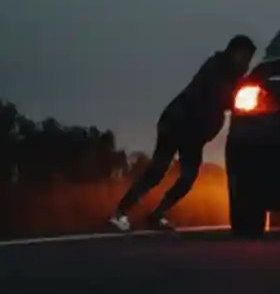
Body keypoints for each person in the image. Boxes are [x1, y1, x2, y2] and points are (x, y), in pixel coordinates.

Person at [109, 34, 257, 231]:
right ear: (235, 54)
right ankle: (121, 212)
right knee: (157, 171)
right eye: (244, 58)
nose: (246, 65)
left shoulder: (231, 76)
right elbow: (219, 97)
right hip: (177, 123)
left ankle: (157, 214)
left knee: (187, 178)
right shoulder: (215, 69)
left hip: (194, 134)